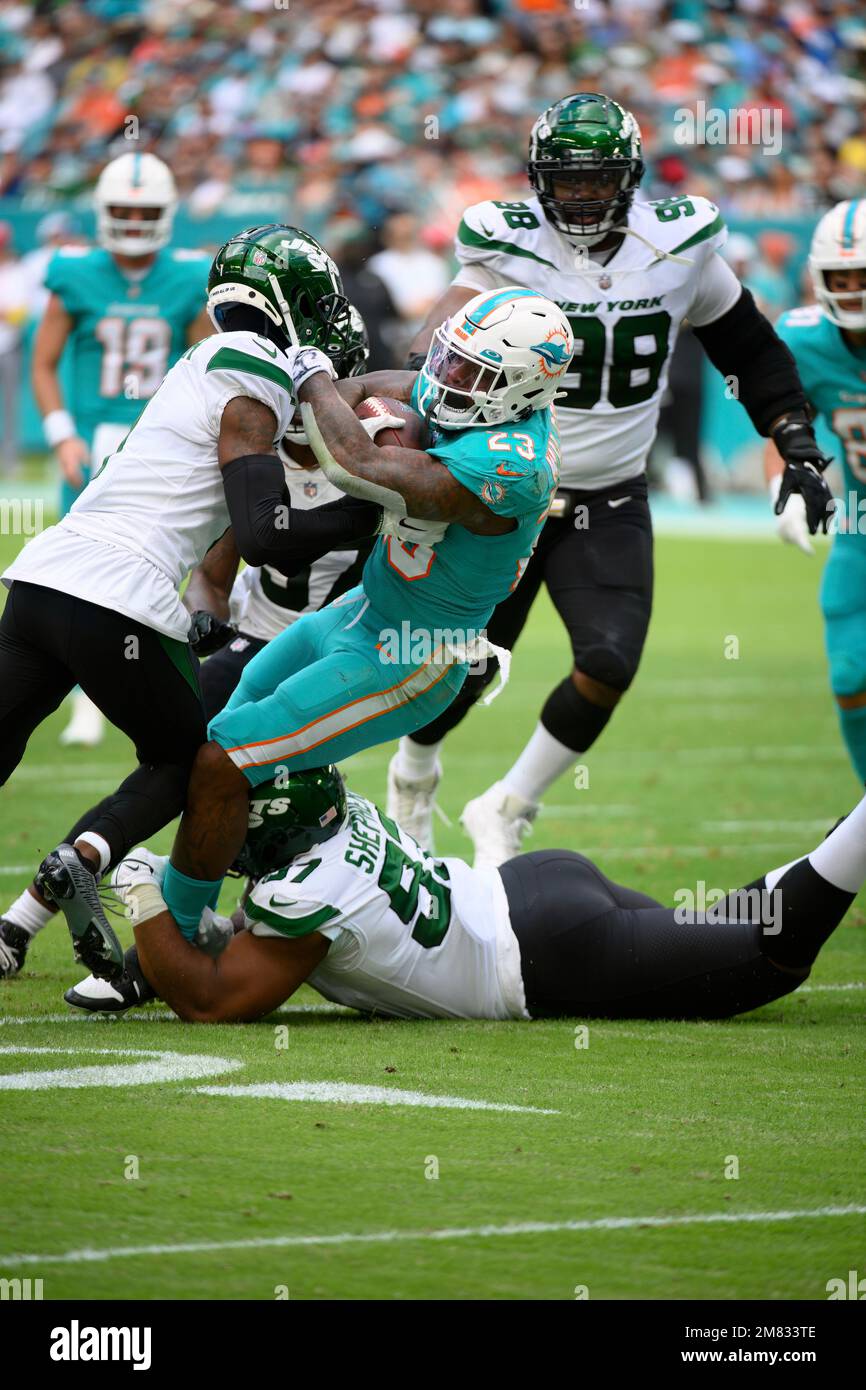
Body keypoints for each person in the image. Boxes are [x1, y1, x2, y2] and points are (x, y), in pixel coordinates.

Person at [43, 284, 572, 970]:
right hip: (355, 615)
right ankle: (217, 915)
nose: (447, 379)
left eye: (470, 373)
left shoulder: (514, 464)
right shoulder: (461, 391)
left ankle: (170, 948)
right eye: (449, 359)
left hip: (411, 655)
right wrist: (336, 395)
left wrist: (311, 373)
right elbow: (380, 385)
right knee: (217, 745)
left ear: (520, 389)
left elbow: (365, 465)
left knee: (225, 758)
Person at [389, 92, 834, 866]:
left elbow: (751, 350)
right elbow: (439, 341)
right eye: (569, 180)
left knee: (608, 662)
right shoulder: (504, 245)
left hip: (611, 492)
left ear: (630, 177)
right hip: (505, 490)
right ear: (538, 180)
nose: (585, 195)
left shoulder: (678, 246)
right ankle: (415, 773)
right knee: (458, 663)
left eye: (600, 179)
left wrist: (796, 446)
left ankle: (508, 805)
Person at [0, 224, 385, 981]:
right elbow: (266, 533)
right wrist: (373, 505)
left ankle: (20, 922)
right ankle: (93, 861)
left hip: (43, 579)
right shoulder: (258, 373)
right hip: (120, 596)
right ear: (286, 306)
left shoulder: (202, 358)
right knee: (192, 762)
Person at [63, 763, 861, 1026]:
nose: (220, 836)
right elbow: (243, 925)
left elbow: (212, 1003)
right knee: (728, 927)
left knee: (763, 956)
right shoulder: (333, 832)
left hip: (546, 954)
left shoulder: (301, 896)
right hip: (541, 889)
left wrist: (146, 893)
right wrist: (140, 971)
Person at [31, 152, 212, 746]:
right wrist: (60, 434)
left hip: (160, 443)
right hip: (90, 442)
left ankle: (146, 685)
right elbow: (44, 362)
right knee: (79, 578)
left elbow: (201, 364)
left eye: (145, 211)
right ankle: (82, 700)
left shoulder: (187, 277)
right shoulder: (74, 272)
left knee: (164, 563)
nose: (134, 220)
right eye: (124, 210)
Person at [765, 200, 866, 784]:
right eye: (841, 279)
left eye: (863, 279)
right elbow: (783, 418)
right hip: (860, 528)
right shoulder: (806, 340)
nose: (852, 293)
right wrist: (784, 481)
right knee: (851, 674)